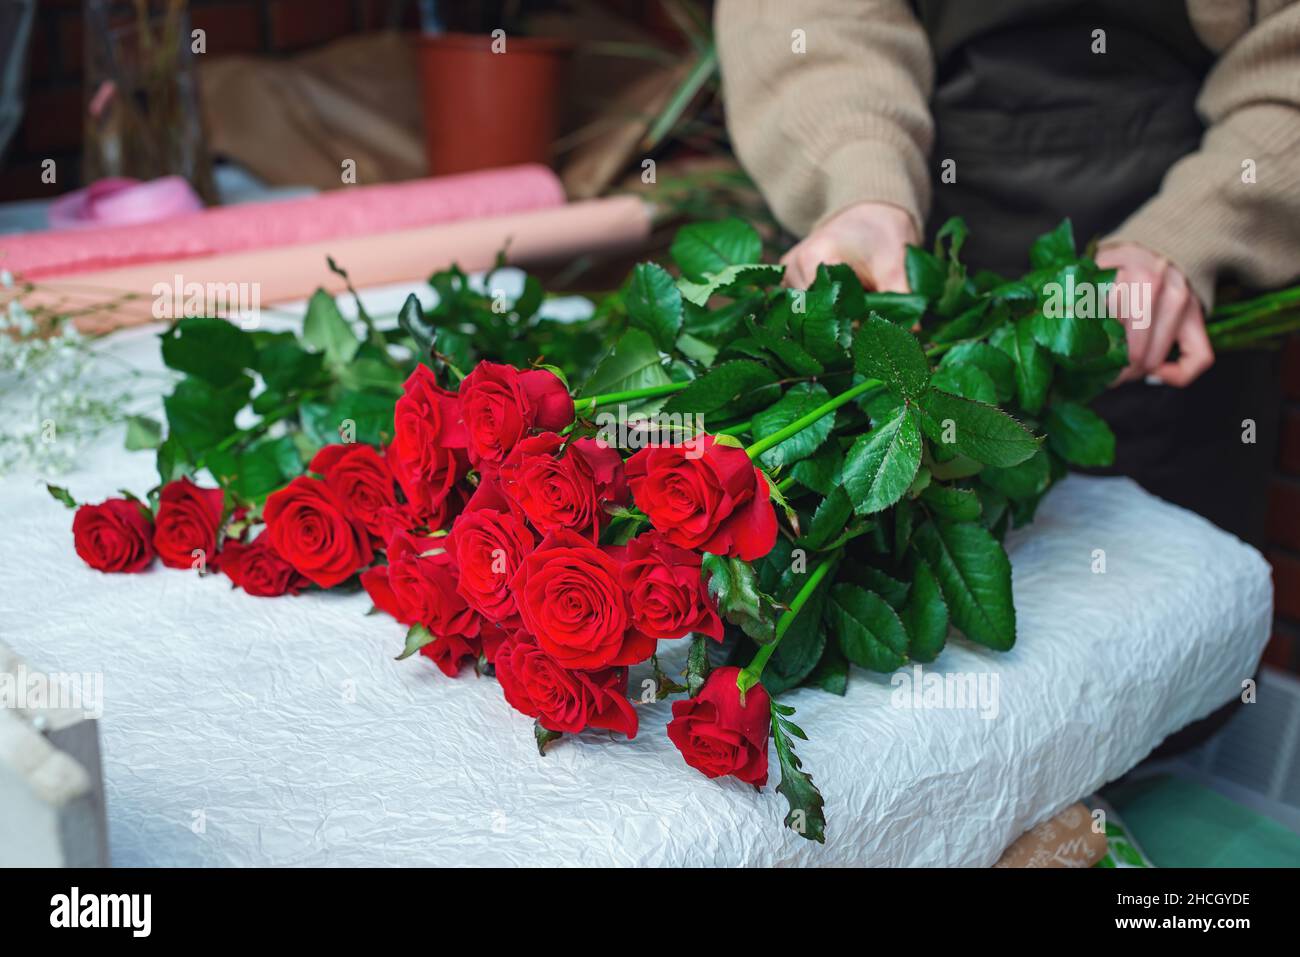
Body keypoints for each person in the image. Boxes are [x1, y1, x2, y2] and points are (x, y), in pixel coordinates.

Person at [716, 0, 1300, 547]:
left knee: (1176, 612)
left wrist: (1197, 226)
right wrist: (862, 187)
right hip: (918, 251)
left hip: (1167, 303)